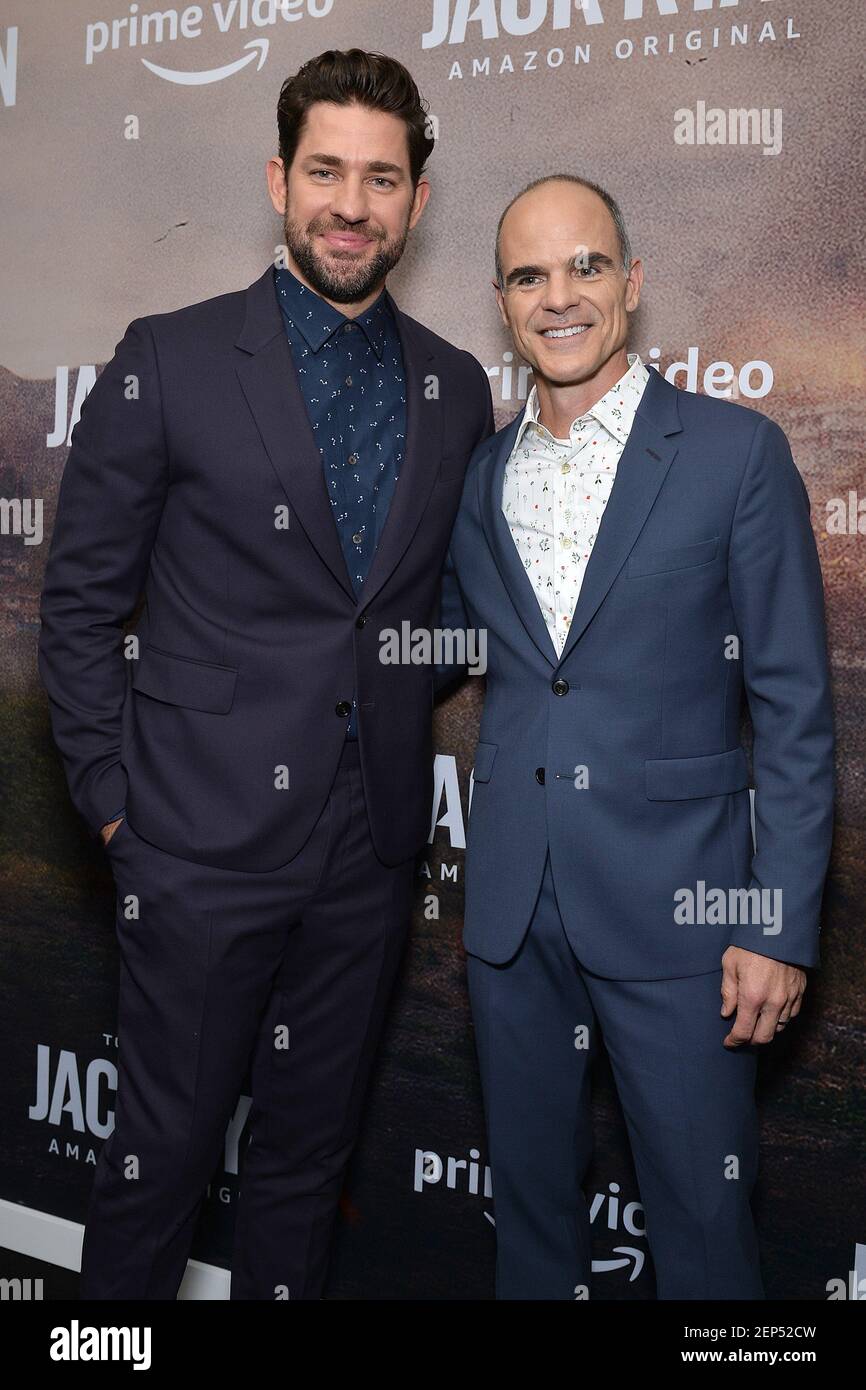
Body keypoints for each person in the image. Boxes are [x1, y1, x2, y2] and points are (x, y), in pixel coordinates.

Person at [38, 47, 493, 1301]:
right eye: (328, 171)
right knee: (156, 1161)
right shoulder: (169, 359)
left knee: (306, 1163)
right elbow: (78, 605)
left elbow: (440, 612)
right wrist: (117, 802)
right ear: (278, 180)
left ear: (415, 198)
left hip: (367, 856)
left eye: (383, 178)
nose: (353, 204)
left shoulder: (455, 388)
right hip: (190, 845)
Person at [439, 174, 834, 1299]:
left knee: (704, 1236)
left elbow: (795, 710)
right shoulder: (480, 476)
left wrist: (777, 922)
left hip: (686, 921)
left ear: (632, 283)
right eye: (527, 275)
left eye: (585, 266)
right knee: (529, 1228)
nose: (557, 296)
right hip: (513, 915)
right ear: (501, 302)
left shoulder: (732, 453)